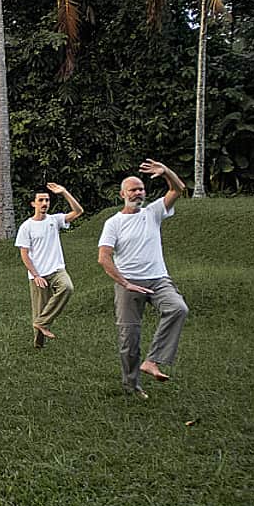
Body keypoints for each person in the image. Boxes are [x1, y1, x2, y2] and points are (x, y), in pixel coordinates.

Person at [97, 159, 189, 397]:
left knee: (178, 308)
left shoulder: (153, 213)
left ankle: (153, 361)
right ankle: (131, 386)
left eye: (140, 189)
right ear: (122, 194)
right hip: (128, 284)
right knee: (130, 340)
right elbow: (104, 257)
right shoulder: (113, 223)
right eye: (133, 190)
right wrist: (125, 283)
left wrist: (166, 171)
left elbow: (178, 189)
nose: (138, 193)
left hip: (158, 280)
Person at [15, 183, 83, 348]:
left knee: (67, 287)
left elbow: (78, 211)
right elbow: (24, 253)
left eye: (47, 200)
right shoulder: (26, 226)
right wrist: (36, 275)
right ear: (33, 204)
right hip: (38, 274)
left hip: (57, 269)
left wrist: (64, 191)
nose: (44, 203)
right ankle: (38, 343)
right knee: (39, 309)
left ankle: (41, 323)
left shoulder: (55, 220)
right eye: (41, 200)